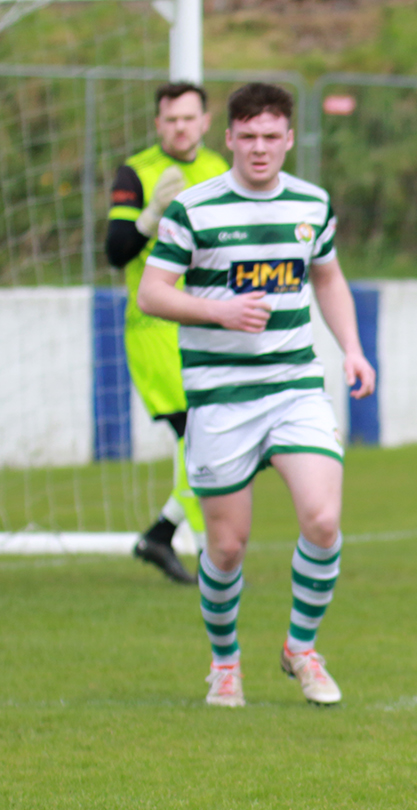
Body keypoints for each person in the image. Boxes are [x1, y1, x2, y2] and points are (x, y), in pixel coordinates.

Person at [137, 82, 375, 708]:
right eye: (249, 137)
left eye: (273, 137)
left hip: (294, 385)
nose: (261, 148)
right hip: (218, 396)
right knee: (226, 543)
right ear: (231, 139)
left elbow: (327, 276)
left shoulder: (311, 203)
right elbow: (151, 293)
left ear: (289, 138)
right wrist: (218, 312)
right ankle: (225, 665)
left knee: (323, 520)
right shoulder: (193, 208)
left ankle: (301, 649)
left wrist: (350, 347)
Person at [105, 82, 229, 584]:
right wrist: (149, 217)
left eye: (188, 118)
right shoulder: (136, 172)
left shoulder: (221, 170)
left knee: (216, 439)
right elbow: (115, 251)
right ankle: (207, 556)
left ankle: (160, 535)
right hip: (155, 328)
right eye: (170, 119)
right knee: (198, 437)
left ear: (204, 121)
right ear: (159, 125)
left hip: (210, 324)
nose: (180, 127)